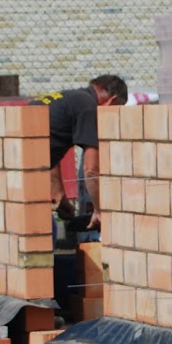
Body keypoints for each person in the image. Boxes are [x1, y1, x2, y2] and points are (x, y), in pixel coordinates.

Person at [36, 74, 128, 232]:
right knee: (44, 230)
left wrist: (59, 195)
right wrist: (99, 211)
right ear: (111, 101)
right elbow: (91, 170)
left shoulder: (70, 99)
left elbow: (48, 151)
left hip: (7, 162)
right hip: (16, 173)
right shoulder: (88, 108)